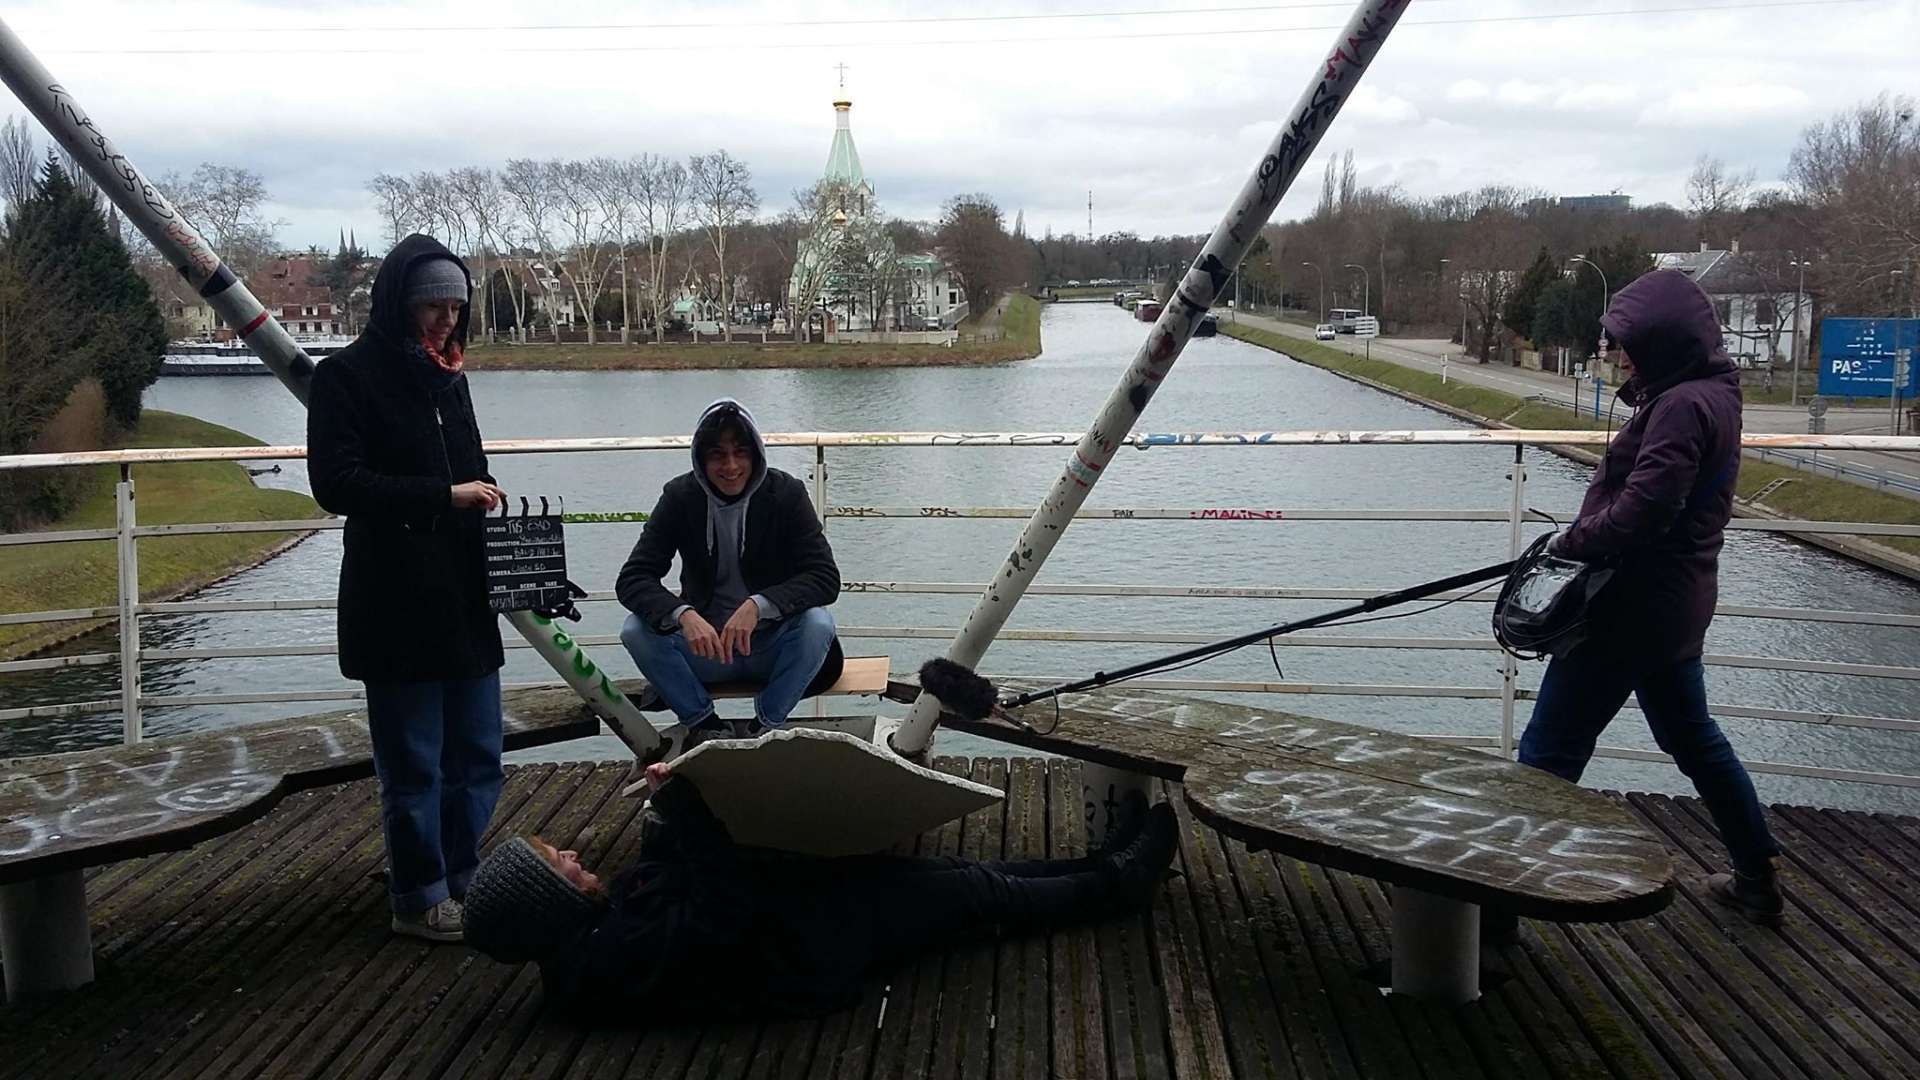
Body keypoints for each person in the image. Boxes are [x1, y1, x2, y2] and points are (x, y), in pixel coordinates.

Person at [462, 763, 1179, 1019]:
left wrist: (670, 817)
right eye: (562, 864)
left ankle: (1098, 862)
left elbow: (676, 889)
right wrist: (690, 818)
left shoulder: (594, 936)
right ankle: (1118, 884)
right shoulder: (609, 957)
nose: (576, 853)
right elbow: (722, 913)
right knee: (975, 894)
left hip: (806, 915)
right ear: (546, 906)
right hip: (812, 951)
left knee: (960, 876)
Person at [1516, 267, 1784, 925]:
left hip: (1625, 616)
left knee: (1545, 758)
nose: (1621, 353)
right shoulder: (1711, 392)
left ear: (1664, 340)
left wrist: (1569, 543)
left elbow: (1644, 511)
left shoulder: (1683, 406)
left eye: (1630, 341)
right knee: (1695, 741)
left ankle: (1492, 926)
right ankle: (1757, 875)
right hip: (1675, 610)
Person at [308, 234, 505, 943]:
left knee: (479, 753)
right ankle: (418, 895)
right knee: (414, 763)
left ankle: (464, 876)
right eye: (432, 305)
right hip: (393, 602)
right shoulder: (345, 378)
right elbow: (335, 484)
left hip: (465, 596)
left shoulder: (452, 377)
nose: (446, 319)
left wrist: (481, 498)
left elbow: (469, 471)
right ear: (399, 303)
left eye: (455, 305)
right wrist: (442, 496)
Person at [615, 399, 841, 740]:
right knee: (635, 630)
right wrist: (683, 615)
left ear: (757, 454)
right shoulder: (679, 497)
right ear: (700, 458)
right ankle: (703, 723)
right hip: (707, 650)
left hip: (770, 646)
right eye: (717, 454)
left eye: (741, 452)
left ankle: (766, 725)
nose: (731, 466)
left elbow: (825, 577)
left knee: (818, 624)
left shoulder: (786, 494)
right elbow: (633, 578)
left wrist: (758, 605)